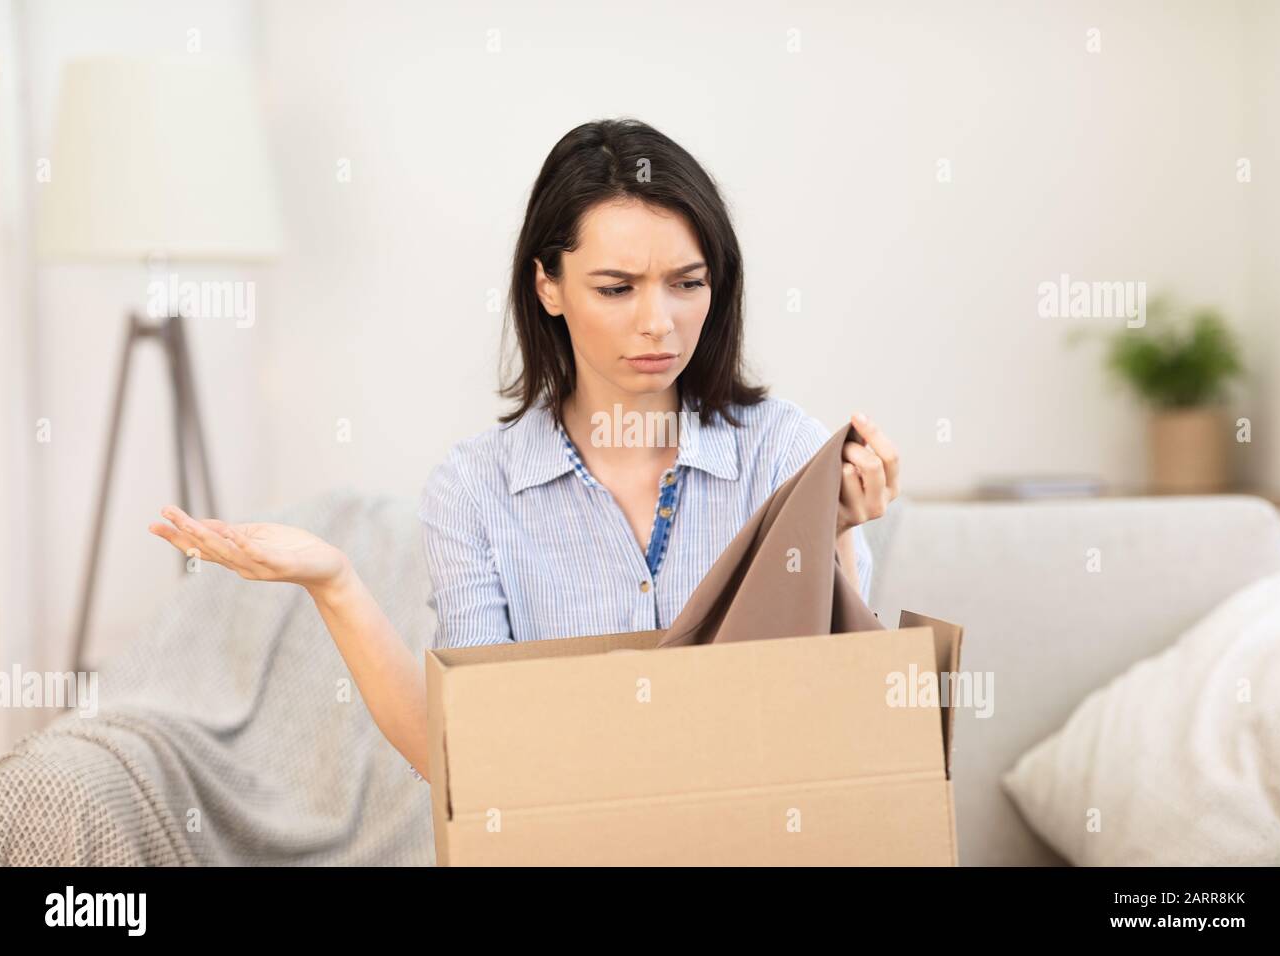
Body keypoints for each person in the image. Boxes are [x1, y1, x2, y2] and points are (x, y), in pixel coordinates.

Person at [148, 118, 900, 784]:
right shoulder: (475, 488)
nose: (659, 322)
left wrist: (835, 532)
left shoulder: (785, 452)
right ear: (547, 286)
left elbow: (843, 716)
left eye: (686, 283)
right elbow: (461, 754)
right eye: (616, 288)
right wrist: (336, 584)